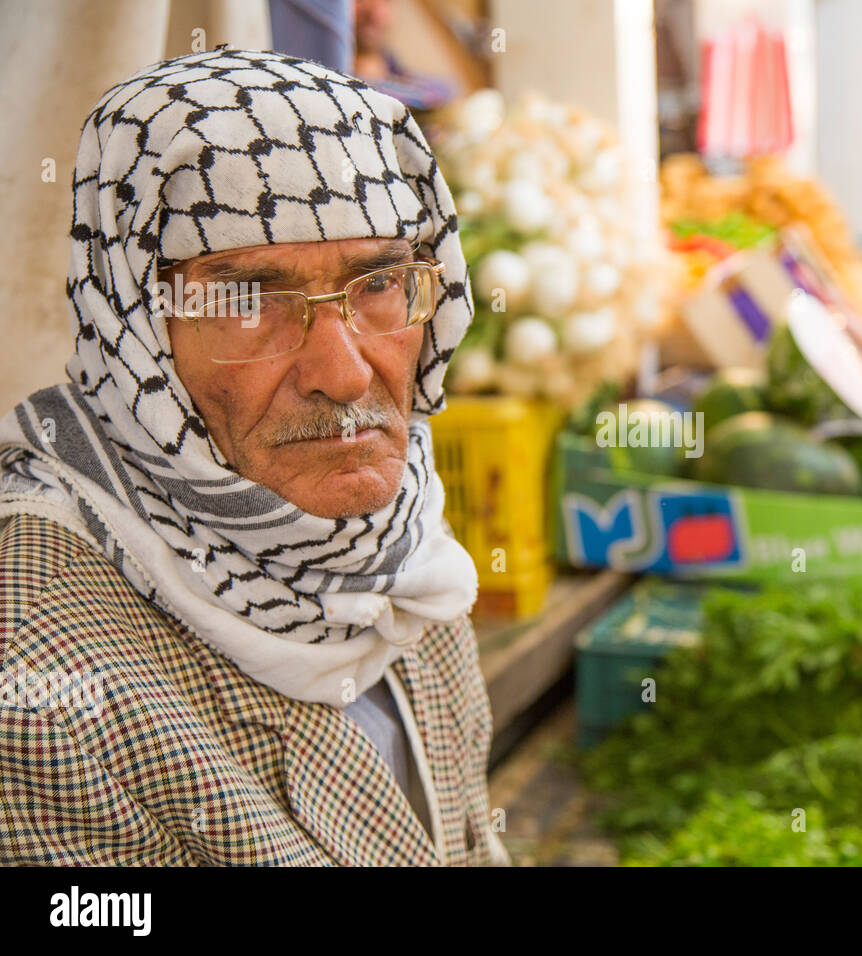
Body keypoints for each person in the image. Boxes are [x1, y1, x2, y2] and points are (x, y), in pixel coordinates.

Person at [0, 47, 507, 866]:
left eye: (378, 283)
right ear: (135, 335)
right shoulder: (40, 690)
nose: (343, 375)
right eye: (246, 300)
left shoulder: (405, 548)